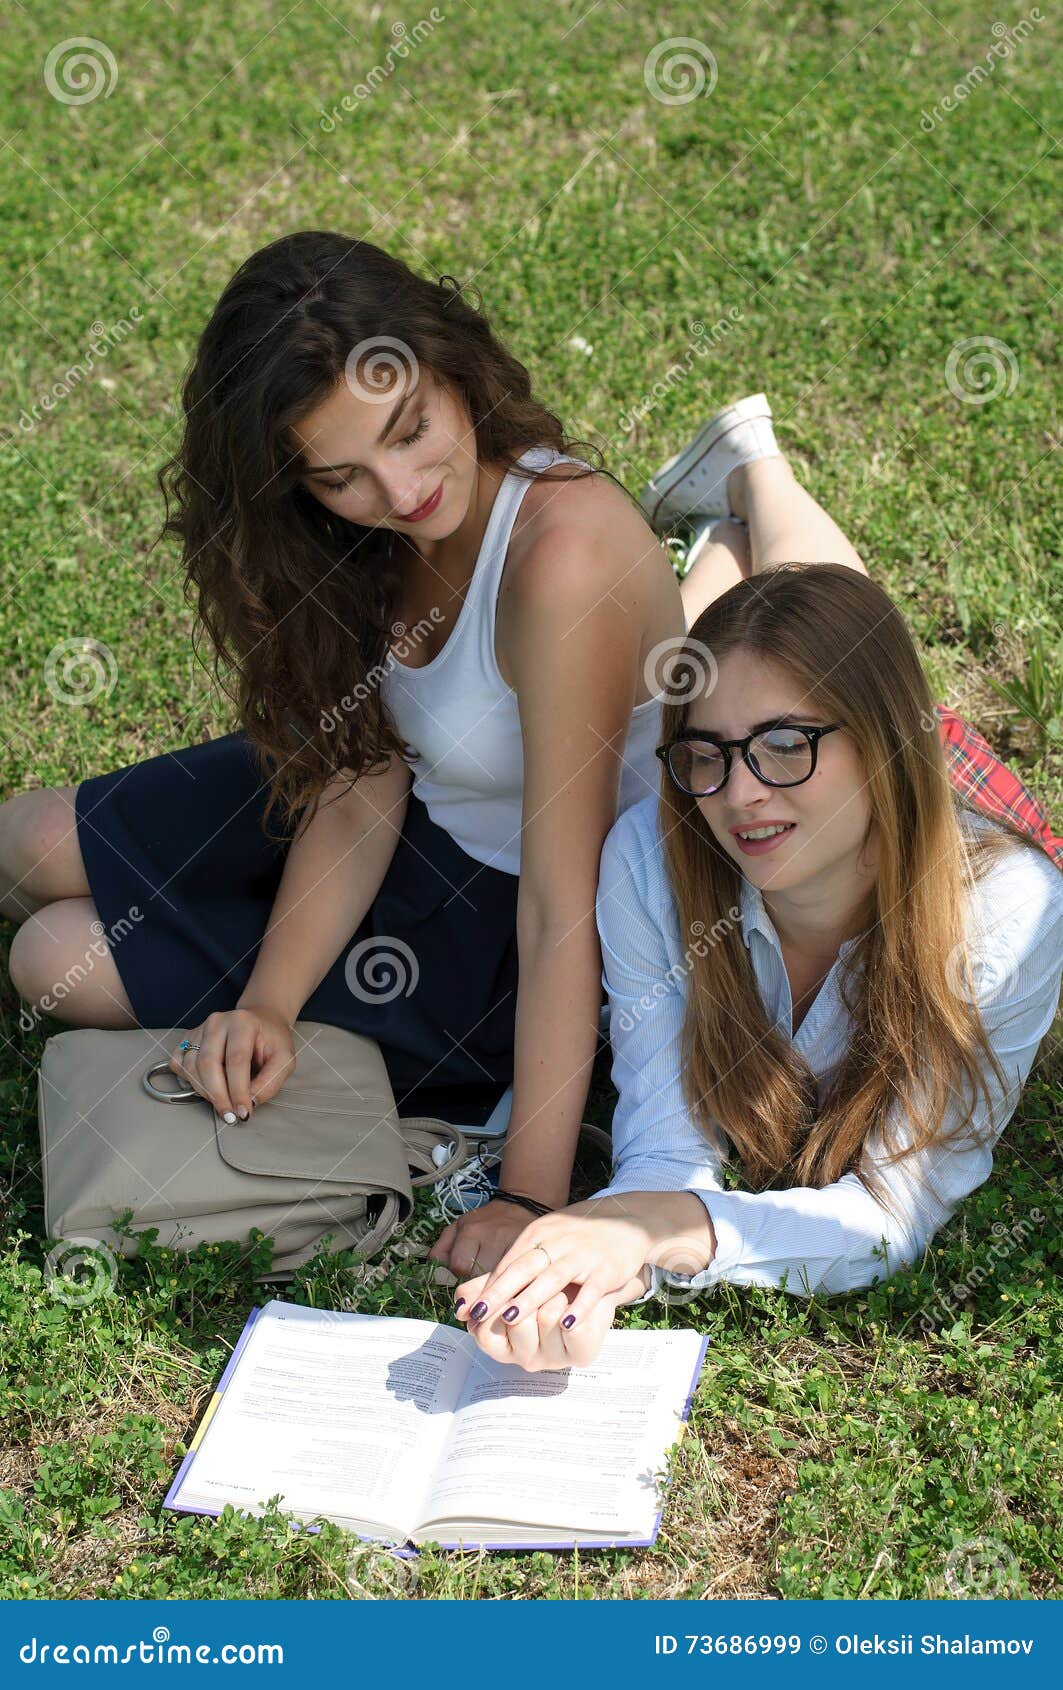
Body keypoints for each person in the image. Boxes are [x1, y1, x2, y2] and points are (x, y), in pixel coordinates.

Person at [0, 231, 1052, 1279]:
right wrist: (270, 998)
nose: (400, 488)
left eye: (411, 431)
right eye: (340, 475)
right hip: (422, 784)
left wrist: (529, 1193)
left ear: (451, 366)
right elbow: (360, 781)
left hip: (498, 898)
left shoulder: (558, 555)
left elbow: (560, 904)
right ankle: (727, 534)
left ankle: (745, 504)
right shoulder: (359, 537)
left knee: (55, 959)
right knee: (26, 843)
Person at [449, 556, 1063, 1371]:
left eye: (784, 745)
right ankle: (730, 541)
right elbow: (666, 1149)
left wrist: (665, 1228)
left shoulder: (1009, 913)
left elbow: (890, 1213)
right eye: (705, 753)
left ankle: (754, 473)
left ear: (878, 740)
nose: (739, 795)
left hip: (971, 809)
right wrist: (610, 1258)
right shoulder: (650, 858)